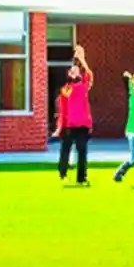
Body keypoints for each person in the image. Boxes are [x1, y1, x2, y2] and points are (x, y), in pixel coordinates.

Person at [54, 45, 94, 187]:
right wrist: (60, 127)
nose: (75, 70)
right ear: (70, 75)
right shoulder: (66, 89)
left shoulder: (83, 85)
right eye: (73, 70)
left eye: (77, 70)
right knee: (65, 149)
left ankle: (81, 178)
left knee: (82, 152)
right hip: (70, 125)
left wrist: (82, 59)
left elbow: (89, 74)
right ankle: (62, 173)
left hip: (83, 125)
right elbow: (63, 108)